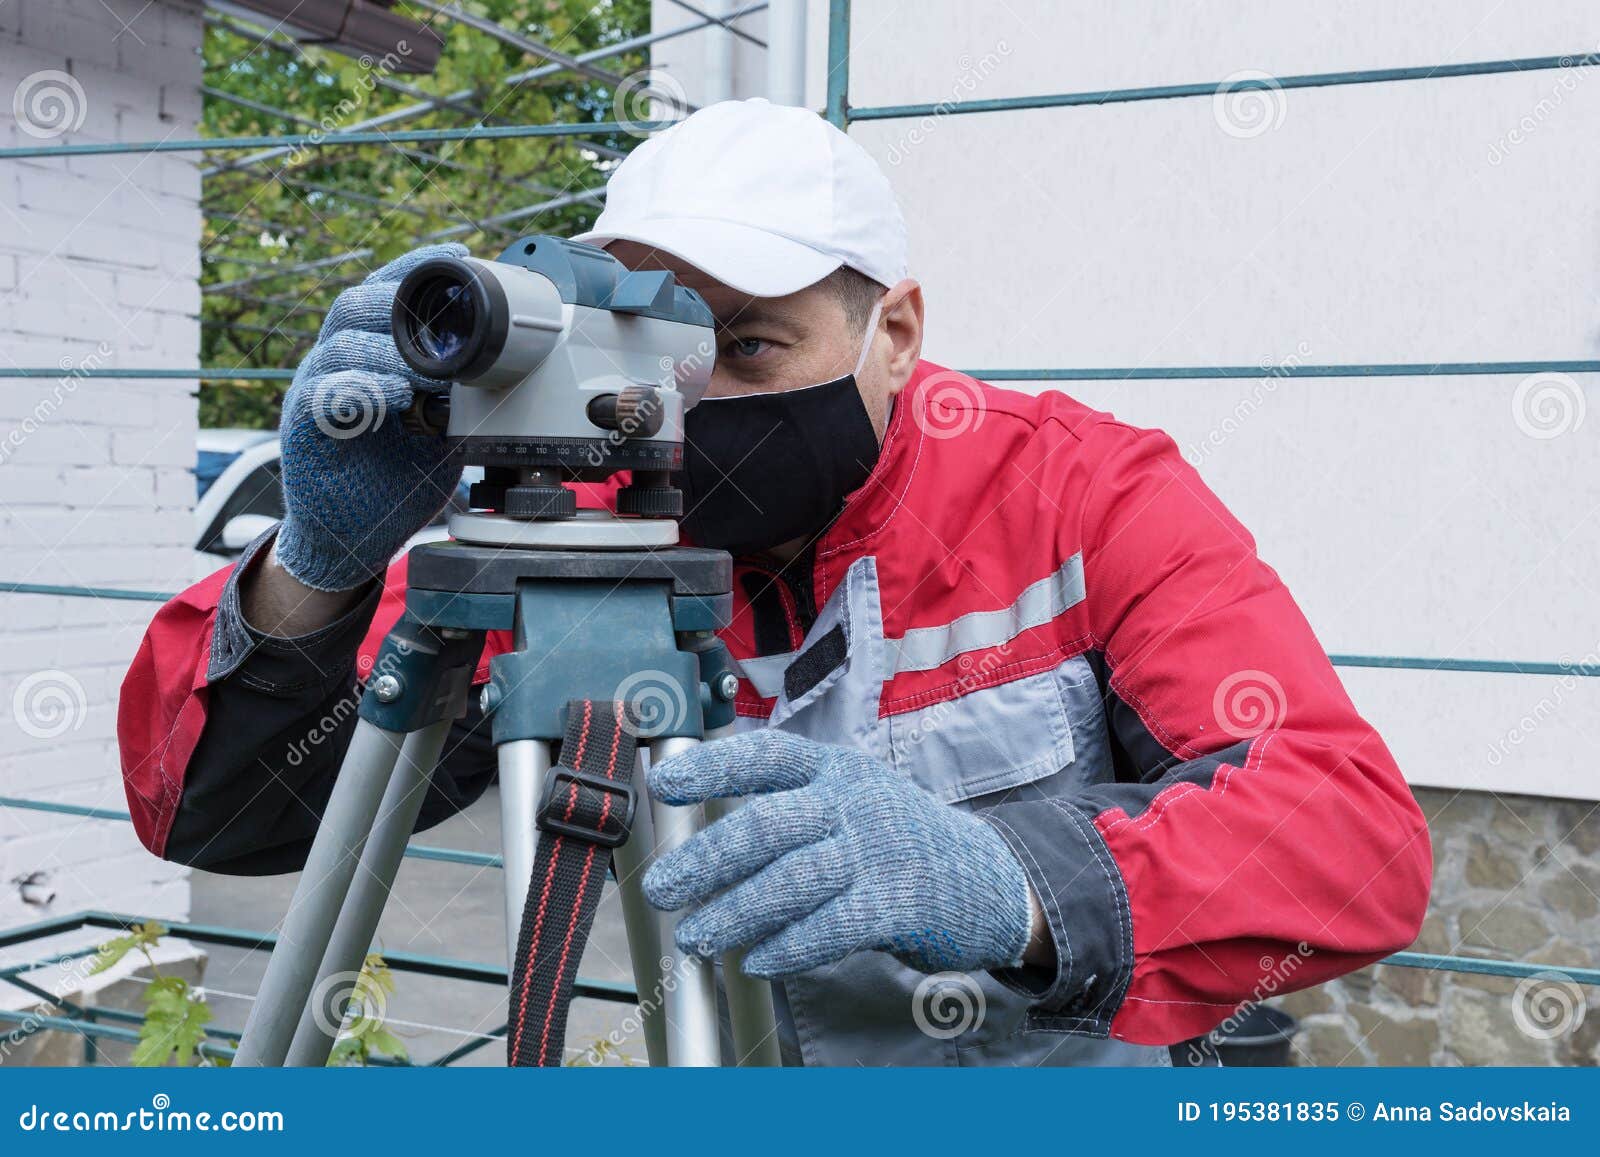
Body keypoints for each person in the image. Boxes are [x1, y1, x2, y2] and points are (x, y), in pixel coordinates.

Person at [118, 98, 1431, 1066]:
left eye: (747, 341)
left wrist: (1012, 882)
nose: (694, 400)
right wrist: (320, 567)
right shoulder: (571, 537)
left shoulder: (1081, 494)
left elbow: (1353, 841)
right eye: (657, 342)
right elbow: (218, 818)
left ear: (894, 332)